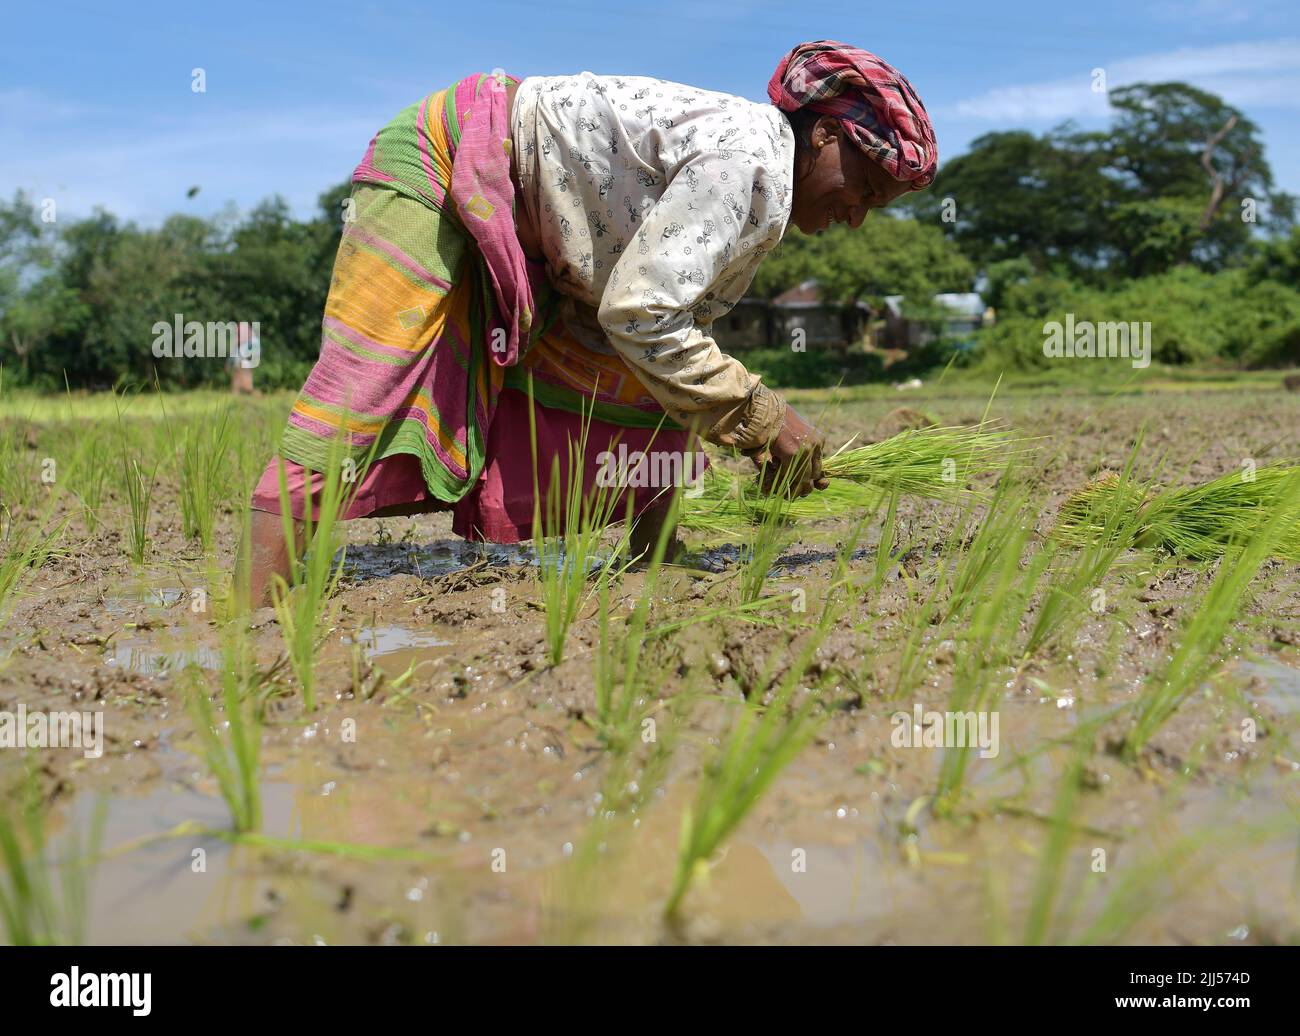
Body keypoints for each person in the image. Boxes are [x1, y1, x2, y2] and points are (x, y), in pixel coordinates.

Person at [241, 39, 936, 605]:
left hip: (542, 228)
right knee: (369, 379)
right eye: (865, 188)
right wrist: (762, 417)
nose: (856, 215)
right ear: (821, 134)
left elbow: (665, 335)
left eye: (877, 206)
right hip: (444, 159)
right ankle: (248, 614)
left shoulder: (765, 188)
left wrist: (752, 433)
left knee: (646, 379)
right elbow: (643, 313)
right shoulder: (749, 161)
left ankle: (657, 553)